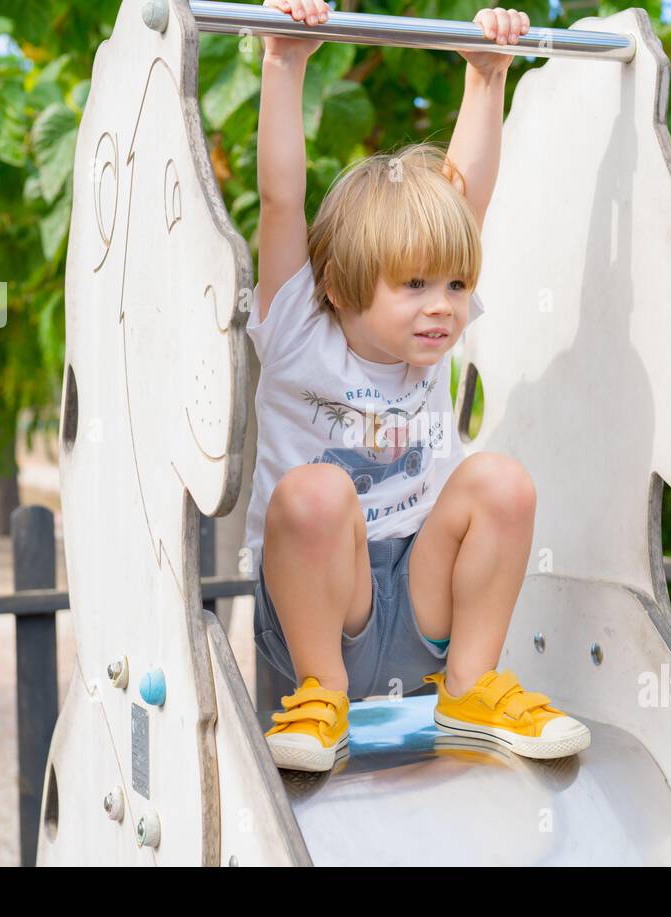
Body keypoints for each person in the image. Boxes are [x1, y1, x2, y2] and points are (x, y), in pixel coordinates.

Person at [248, 0, 591, 771]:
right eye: (413, 285)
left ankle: (469, 684)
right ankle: (321, 700)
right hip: (324, 609)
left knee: (501, 482)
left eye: (456, 284)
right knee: (314, 493)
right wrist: (284, 62)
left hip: (418, 597)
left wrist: (487, 75)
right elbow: (280, 201)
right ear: (338, 286)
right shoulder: (299, 322)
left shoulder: (430, 347)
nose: (442, 305)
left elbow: (464, 200)